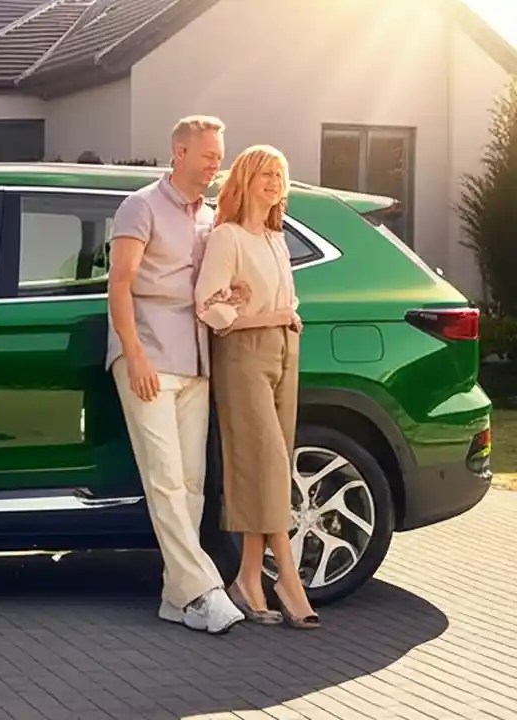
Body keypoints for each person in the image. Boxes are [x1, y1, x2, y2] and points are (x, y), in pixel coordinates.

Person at [106, 115, 244, 634]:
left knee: (191, 484)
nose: (215, 165)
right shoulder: (140, 207)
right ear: (179, 154)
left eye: (218, 156)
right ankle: (205, 591)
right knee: (164, 480)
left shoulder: (210, 218)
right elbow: (119, 286)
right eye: (207, 155)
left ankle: (175, 595)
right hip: (148, 358)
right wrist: (134, 354)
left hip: (196, 362)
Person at [194, 144, 320, 630]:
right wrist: (261, 315)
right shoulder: (227, 237)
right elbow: (208, 306)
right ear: (244, 180)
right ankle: (287, 577)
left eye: (281, 175)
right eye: (265, 173)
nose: (274, 182)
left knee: (272, 464)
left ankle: (248, 578)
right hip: (245, 355)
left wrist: (288, 319)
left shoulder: (275, 239)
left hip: (286, 350)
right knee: (265, 462)